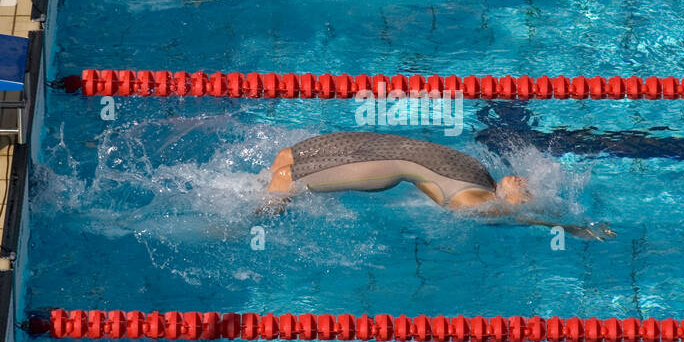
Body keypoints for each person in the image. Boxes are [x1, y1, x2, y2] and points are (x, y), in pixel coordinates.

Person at [263, 130, 616, 238]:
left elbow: (513, 218)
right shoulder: (483, 179)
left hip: (384, 163)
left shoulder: (472, 200)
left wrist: (571, 228)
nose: (523, 182)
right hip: (383, 144)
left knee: (283, 179)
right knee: (285, 157)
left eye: (525, 192)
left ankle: (251, 222)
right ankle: (266, 207)